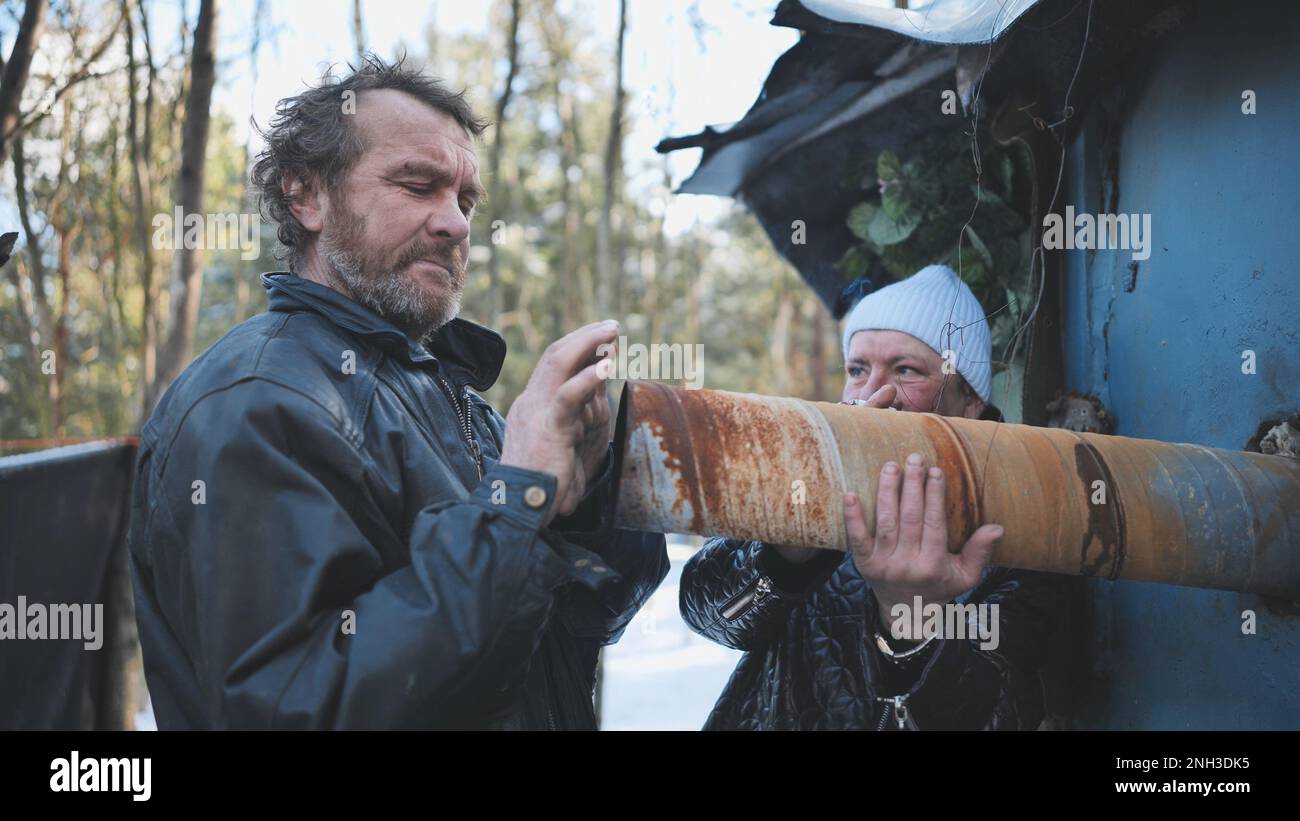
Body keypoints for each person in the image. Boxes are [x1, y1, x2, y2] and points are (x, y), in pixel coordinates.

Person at [127, 55, 667, 730]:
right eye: (418, 186)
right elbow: (303, 710)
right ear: (307, 195)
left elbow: (574, 630)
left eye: (465, 201)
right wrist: (517, 496)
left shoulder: (455, 398)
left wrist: (582, 499)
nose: (457, 225)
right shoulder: (254, 402)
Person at [680, 264, 1066, 730]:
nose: (876, 393)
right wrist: (787, 551)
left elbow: (988, 714)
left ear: (970, 403)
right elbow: (711, 618)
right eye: (858, 369)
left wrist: (913, 616)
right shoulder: (809, 482)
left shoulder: (1023, 529)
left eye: (906, 370)